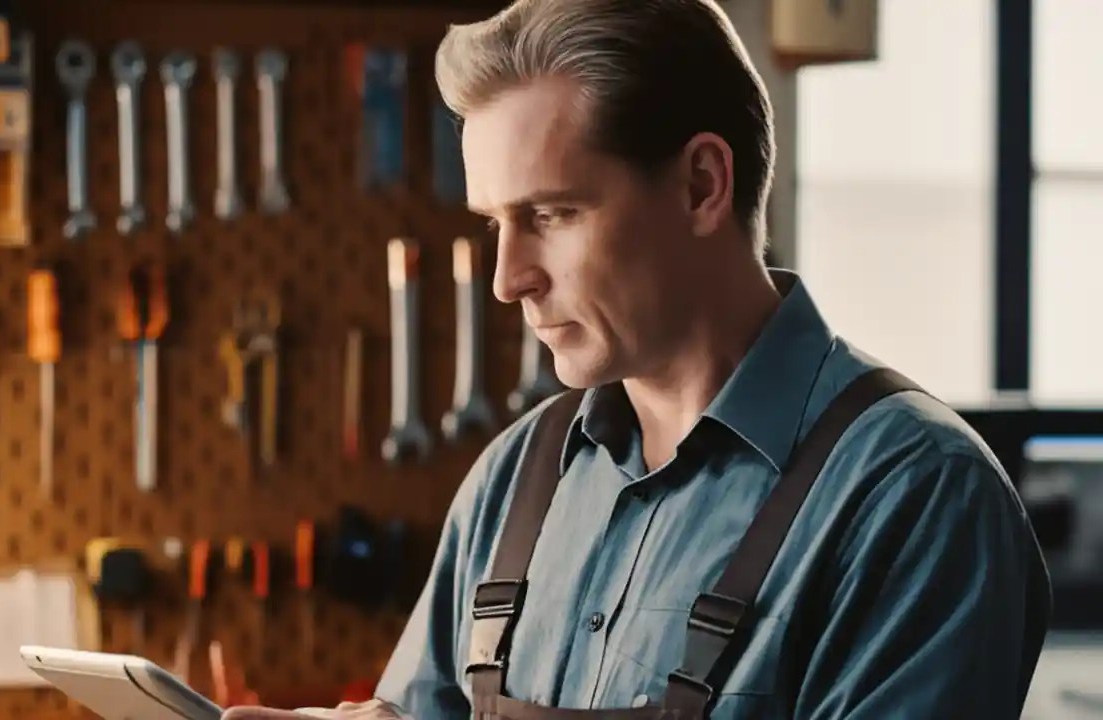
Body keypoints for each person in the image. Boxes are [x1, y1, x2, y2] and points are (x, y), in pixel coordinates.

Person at [224, 0, 1051, 717]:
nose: (510, 280)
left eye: (552, 213)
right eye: (494, 225)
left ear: (700, 185)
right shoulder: (515, 483)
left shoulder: (914, 497)